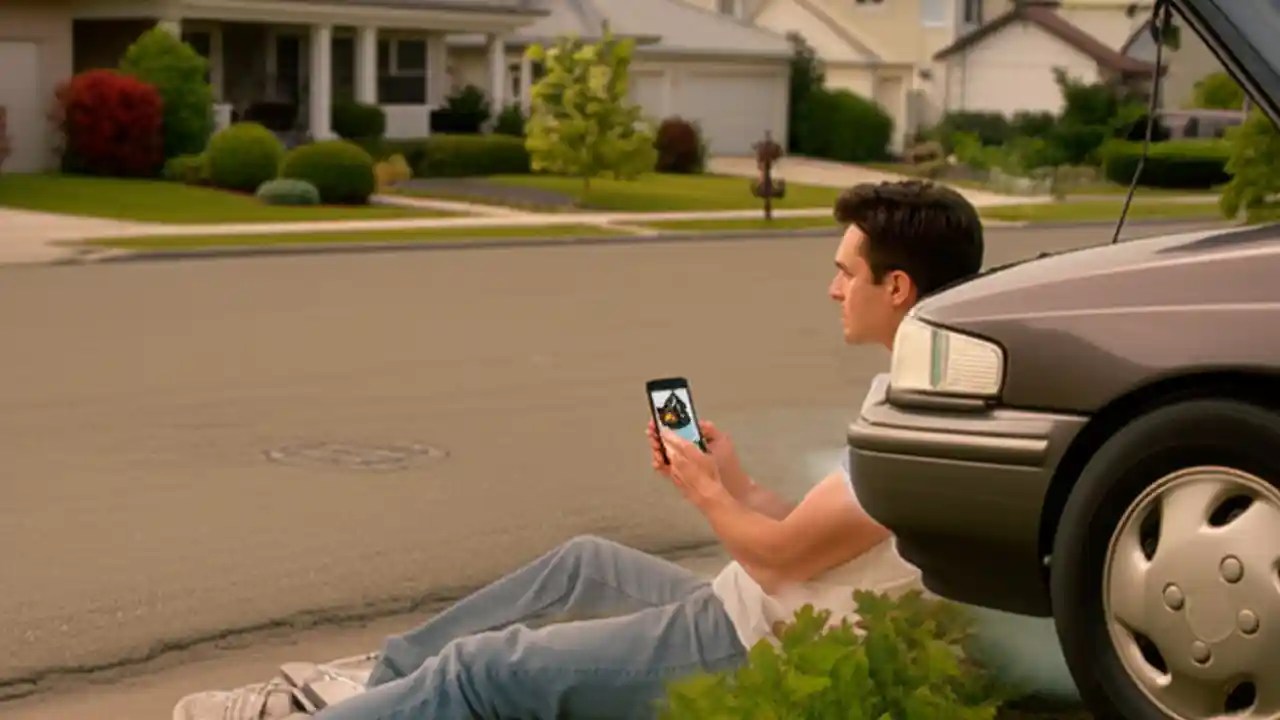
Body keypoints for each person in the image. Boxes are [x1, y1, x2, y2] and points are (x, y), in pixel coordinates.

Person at [188, 179, 986, 720]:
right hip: (757, 606)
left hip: (762, 643)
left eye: (846, 273)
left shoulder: (918, 419)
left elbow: (781, 560)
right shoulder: (918, 389)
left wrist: (705, 493)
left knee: (489, 671)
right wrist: (733, 477)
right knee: (582, 563)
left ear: (899, 289)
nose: (832, 290)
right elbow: (826, 538)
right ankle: (373, 690)